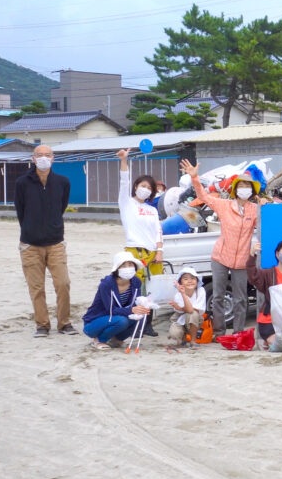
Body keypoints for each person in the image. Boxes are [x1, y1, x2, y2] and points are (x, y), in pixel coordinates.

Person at [180, 159, 260, 337]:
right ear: (235, 189)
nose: (244, 189)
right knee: (218, 296)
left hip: (241, 261)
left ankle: (238, 332)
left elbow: (264, 226)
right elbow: (203, 197)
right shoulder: (224, 205)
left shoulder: (255, 209)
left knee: (241, 299)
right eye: (241, 186)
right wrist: (194, 178)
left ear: (252, 190)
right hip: (220, 257)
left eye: (248, 186)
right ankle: (219, 332)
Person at [15, 144, 74, 338]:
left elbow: (61, 207)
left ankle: (64, 322)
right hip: (30, 244)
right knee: (36, 287)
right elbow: (20, 211)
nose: (43, 158)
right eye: (39, 155)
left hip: (56, 242)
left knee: (63, 283)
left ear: (53, 158)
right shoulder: (22, 182)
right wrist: (31, 229)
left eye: (47, 155)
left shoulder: (62, 182)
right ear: (33, 158)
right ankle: (42, 324)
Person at [116, 149, 163, 336]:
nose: (145, 189)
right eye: (143, 186)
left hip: (152, 252)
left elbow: (158, 231)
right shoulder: (126, 203)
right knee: (134, 287)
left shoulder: (151, 210)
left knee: (152, 290)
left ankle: (148, 324)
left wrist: (160, 250)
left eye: (149, 188)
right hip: (134, 251)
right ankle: (134, 324)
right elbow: (123, 181)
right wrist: (124, 160)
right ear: (136, 186)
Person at [82, 252, 149, 350]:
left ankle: (116, 339)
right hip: (95, 322)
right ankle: (99, 340)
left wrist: (143, 306)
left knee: (141, 317)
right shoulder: (107, 284)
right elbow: (110, 309)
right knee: (122, 321)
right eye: (123, 265)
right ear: (117, 269)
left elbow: (136, 302)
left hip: (116, 317)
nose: (127, 268)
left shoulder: (136, 281)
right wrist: (132, 310)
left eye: (130, 264)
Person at [168, 266, 206, 347]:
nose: (190, 281)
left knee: (193, 314)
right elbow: (187, 310)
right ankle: (183, 339)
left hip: (195, 319)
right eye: (185, 279)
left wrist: (181, 307)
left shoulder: (201, 291)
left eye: (193, 278)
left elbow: (190, 311)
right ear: (180, 283)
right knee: (174, 333)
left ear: (197, 280)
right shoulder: (178, 295)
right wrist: (183, 294)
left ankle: (193, 341)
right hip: (180, 317)